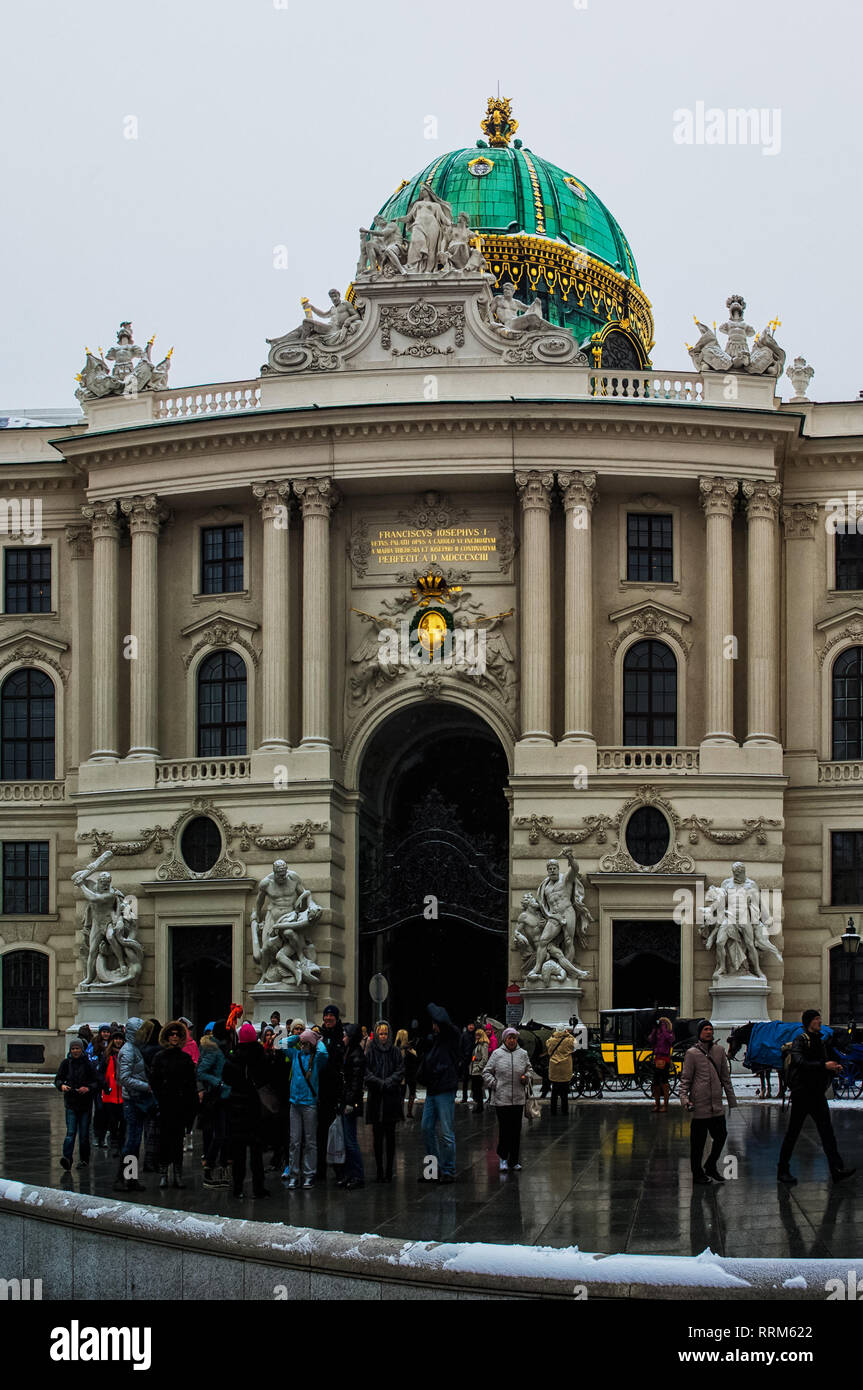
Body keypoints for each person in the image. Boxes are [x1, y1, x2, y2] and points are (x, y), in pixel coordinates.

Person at [778, 1010, 857, 1185]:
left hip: (816, 1094)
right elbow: (799, 1062)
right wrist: (824, 1065)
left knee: (827, 1133)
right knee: (793, 1133)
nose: (819, 1021)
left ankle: (836, 1169)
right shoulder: (801, 1040)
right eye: (816, 1019)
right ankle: (782, 1169)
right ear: (808, 1022)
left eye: (819, 1018)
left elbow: (821, 1065)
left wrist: (832, 1067)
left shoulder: (819, 1041)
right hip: (802, 1095)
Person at [679, 1019, 738, 1184]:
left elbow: (725, 1078)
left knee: (721, 1136)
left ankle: (711, 1165)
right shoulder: (692, 1053)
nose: (709, 1032)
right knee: (697, 1144)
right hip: (700, 1105)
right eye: (705, 1029)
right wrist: (685, 1099)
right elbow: (686, 1079)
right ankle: (697, 1174)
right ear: (699, 1033)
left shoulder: (719, 1051)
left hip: (716, 1105)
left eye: (710, 1029)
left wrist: (732, 1101)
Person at [222, 1022, 269, 1200]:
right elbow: (266, 1079)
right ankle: (258, 1187)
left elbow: (226, 1080)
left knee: (238, 1151)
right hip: (255, 1108)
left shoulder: (233, 1059)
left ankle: (238, 1187)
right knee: (256, 1152)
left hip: (236, 1109)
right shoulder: (261, 1057)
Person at [150, 1021, 199, 1189]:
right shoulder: (159, 1057)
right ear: (166, 1037)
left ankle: (178, 1174)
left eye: (178, 1034)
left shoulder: (185, 1059)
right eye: (171, 1034)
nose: (175, 1037)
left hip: (180, 1106)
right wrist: (158, 1100)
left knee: (178, 1141)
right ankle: (164, 1173)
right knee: (164, 1140)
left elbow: (191, 1085)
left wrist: (191, 1108)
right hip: (165, 1105)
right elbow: (154, 1081)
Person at [483, 1027, 537, 1171]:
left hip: (518, 1099)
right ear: (505, 1039)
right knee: (505, 1130)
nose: (512, 1040)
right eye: (510, 1038)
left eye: (514, 1038)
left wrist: (526, 1077)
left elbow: (530, 1070)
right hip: (502, 1099)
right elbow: (486, 1072)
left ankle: (514, 1160)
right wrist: (495, 1084)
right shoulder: (497, 1054)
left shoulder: (523, 1054)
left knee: (516, 1130)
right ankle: (502, 1158)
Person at [418, 1002, 460, 1184]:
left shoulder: (451, 1036)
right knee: (426, 1128)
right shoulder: (434, 1040)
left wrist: (430, 1007)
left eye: (434, 1023)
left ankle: (448, 1170)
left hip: (444, 1089)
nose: (433, 1026)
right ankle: (433, 1170)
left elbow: (442, 1018)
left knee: (446, 1132)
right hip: (433, 1089)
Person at [283, 1028, 328, 1188]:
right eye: (301, 1043)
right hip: (295, 1103)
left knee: (310, 1141)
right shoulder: (295, 1055)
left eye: (305, 1043)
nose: (302, 1045)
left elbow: (323, 1053)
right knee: (294, 1142)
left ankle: (309, 1174)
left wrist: (317, 1039)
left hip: (309, 1103)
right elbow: (280, 1044)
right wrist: (298, 1036)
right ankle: (294, 1174)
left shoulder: (317, 1059)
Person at [115, 1016, 153, 1191]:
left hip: (136, 1098)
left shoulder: (134, 1049)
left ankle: (130, 1178)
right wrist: (147, 1087)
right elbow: (124, 1078)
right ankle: (122, 1178)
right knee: (132, 1141)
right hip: (132, 1100)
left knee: (135, 1141)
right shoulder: (129, 1050)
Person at [365, 1020, 405, 1182]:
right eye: (381, 1034)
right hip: (376, 1098)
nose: (383, 1036)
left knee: (390, 1137)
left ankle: (389, 1169)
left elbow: (400, 1070)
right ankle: (379, 1169)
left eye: (386, 1034)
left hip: (390, 1099)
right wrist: (378, 1082)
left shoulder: (395, 1052)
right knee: (377, 1137)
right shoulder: (371, 1052)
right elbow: (366, 1071)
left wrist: (388, 1082)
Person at [54, 1038, 99, 1170]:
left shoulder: (88, 1064)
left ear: (81, 1049)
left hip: (85, 1104)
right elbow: (58, 1079)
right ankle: (67, 1158)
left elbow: (96, 1082)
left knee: (84, 1135)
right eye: (73, 1048)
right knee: (70, 1133)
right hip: (71, 1103)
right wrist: (61, 1086)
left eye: (77, 1048)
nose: (75, 1051)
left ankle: (84, 1159)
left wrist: (88, 1088)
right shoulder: (66, 1063)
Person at [197, 1021, 231, 1188]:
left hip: (224, 1096)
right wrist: (218, 1083)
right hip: (217, 1096)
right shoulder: (214, 1050)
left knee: (222, 1134)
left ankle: (216, 1168)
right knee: (220, 1134)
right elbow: (201, 1071)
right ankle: (209, 1168)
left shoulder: (220, 1048)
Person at [316, 1004, 345, 1180]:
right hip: (321, 1090)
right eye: (326, 1016)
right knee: (322, 1132)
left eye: (331, 1016)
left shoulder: (341, 1035)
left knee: (337, 1132)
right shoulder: (318, 1035)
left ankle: (338, 1168)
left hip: (336, 1090)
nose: (327, 1019)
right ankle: (321, 1169)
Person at [339, 1023, 366, 1190]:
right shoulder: (350, 1052)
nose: (343, 1038)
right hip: (346, 1100)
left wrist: (349, 1102)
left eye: (345, 1035)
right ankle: (350, 1173)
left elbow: (355, 1083)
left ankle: (357, 1174)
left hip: (350, 1102)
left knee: (350, 1141)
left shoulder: (356, 1055)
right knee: (347, 1140)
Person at [97, 1029, 126, 1156]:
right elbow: (100, 1073)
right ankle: (114, 1144)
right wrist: (105, 1086)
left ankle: (121, 1144)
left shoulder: (126, 1054)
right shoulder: (107, 1056)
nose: (118, 1041)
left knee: (124, 1121)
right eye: (116, 1039)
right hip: (111, 1094)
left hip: (123, 1094)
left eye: (120, 1039)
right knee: (113, 1121)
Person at [546, 1023, 576, 1117]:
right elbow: (576, 1044)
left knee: (554, 1092)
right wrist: (568, 1034)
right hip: (565, 1068)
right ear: (564, 1030)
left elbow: (547, 1044)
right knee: (564, 1093)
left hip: (554, 1068)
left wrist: (553, 1035)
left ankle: (553, 1111)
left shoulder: (551, 1040)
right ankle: (564, 1111)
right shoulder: (569, 1040)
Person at [648, 1016, 675, 1113]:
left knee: (664, 1081)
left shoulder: (669, 1032)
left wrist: (663, 1029)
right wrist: (655, 1030)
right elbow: (651, 1040)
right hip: (657, 1058)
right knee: (655, 1082)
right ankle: (657, 1104)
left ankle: (665, 1105)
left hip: (665, 1058)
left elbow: (670, 1040)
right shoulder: (657, 1031)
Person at [395, 1027, 419, 1119]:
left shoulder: (395, 1049)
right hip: (411, 1074)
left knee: (401, 1094)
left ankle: (400, 1113)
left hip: (401, 1075)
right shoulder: (410, 1050)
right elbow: (416, 1057)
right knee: (411, 1093)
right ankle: (409, 1112)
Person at [469, 1027, 490, 1112]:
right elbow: (475, 1055)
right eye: (476, 1035)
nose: (476, 1037)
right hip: (474, 1068)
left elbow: (485, 1058)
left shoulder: (484, 1045)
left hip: (478, 1070)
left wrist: (479, 1067)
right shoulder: (477, 1045)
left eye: (478, 1035)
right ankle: (478, 1105)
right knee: (475, 1088)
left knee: (478, 1089)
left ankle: (480, 1106)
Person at [458, 1021, 476, 1103]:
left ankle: (475, 1097)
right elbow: (460, 1048)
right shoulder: (463, 1035)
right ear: (467, 1026)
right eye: (470, 1025)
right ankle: (464, 1098)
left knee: (475, 1079)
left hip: (474, 1060)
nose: (471, 1027)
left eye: (472, 1025)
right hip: (465, 1060)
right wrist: (462, 1058)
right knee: (465, 1080)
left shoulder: (476, 1035)